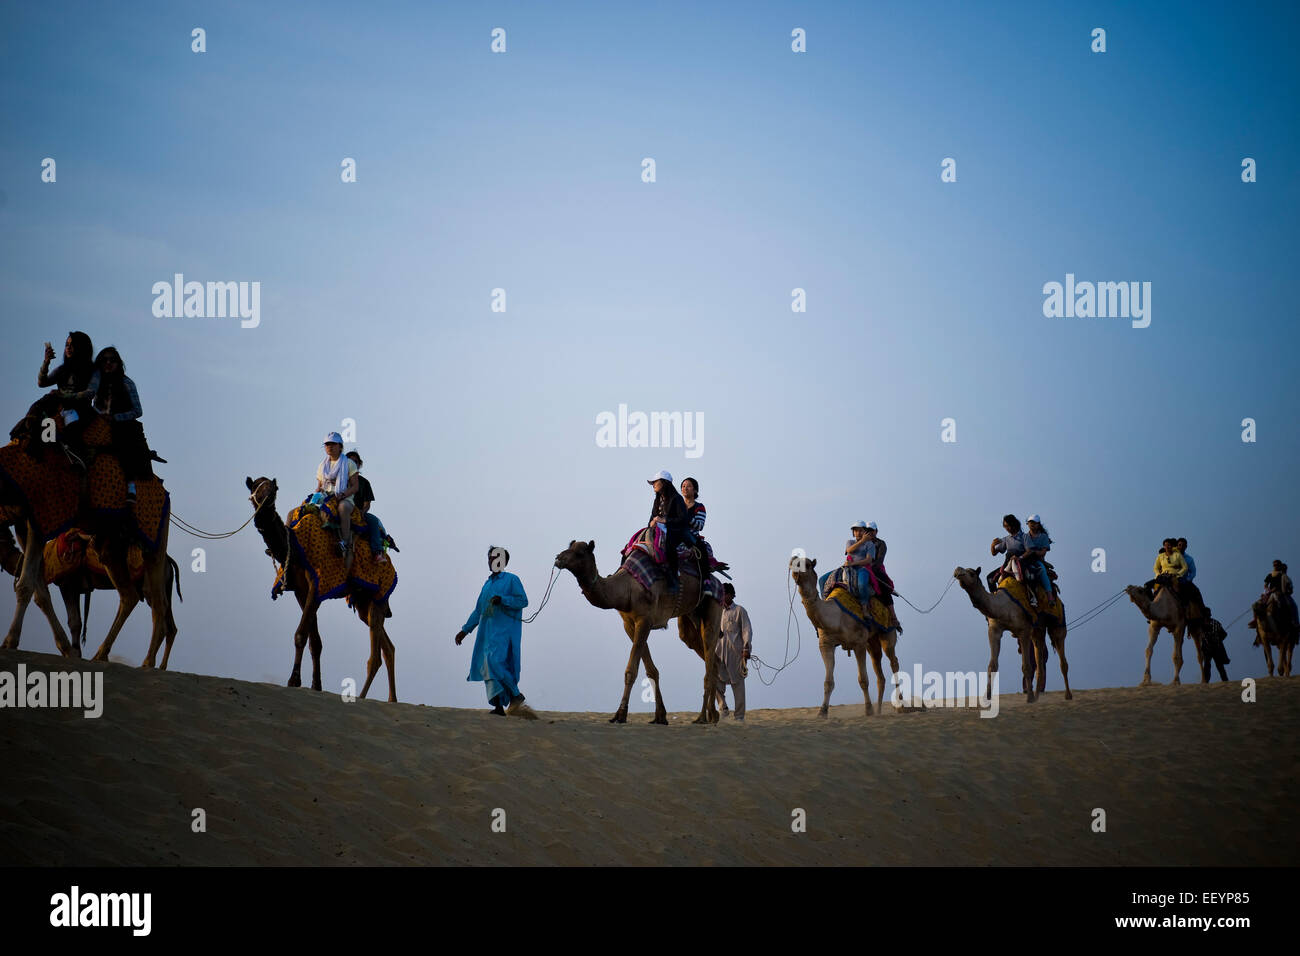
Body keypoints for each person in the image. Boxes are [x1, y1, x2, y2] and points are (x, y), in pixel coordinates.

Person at [454, 547, 536, 719]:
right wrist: (465, 630)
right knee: (487, 669)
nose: (492, 561)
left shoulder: (512, 579)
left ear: (503, 561)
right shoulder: (487, 585)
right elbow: (478, 610)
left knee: (494, 662)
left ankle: (515, 695)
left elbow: (523, 600)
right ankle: (498, 706)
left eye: (495, 558)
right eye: (490, 558)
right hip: (486, 634)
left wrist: (503, 600)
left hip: (504, 633)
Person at [79, 347, 151, 502]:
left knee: (123, 442)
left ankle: (131, 486)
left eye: (112, 360)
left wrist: (115, 418)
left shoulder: (127, 383)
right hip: (98, 420)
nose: (108, 363)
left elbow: (138, 411)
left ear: (118, 363)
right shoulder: (96, 380)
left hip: (122, 425)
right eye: (105, 360)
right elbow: (89, 396)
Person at [11, 332, 95, 459]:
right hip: (57, 405)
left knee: (72, 428)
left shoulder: (92, 370)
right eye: (67, 344)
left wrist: (64, 396)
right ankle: (34, 443)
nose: (68, 347)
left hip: (78, 408)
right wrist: (46, 362)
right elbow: (42, 383)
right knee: (39, 411)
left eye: (73, 345)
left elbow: (90, 393)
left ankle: (78, 458)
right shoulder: (62, 369)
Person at [316, 432, 359, 570]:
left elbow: (355, 486)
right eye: (327, 444)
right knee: (300, 511)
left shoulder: (349, 464)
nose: (329, 447)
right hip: (325, 497)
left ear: (340, 446)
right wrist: (314, 496)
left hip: (344, 498)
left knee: (342, 508)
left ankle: (345, 542)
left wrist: (343, 494)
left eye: (333, 444)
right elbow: (319, 486)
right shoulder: (322, 466)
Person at [714, 583, 752, 720]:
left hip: (735, 653)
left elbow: (747, 630)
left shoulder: (740, 611)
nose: (723, 597)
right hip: (718, 653)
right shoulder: (717, 611)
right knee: (716, 681)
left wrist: (746, 648)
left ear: (731, 595)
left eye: (725, 594)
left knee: (738, 684)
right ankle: (723, 708)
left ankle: (739, 716)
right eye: (721, 594)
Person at [647, 469, 689, 592]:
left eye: (656, 481)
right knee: (635, 542)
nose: (653, 484)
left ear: (664, 483)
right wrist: (652, 524)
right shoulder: (657, 500)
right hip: (658, 531)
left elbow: (683, 520)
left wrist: (665, 520)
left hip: (675, 532)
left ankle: (674, 579)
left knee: (669, 546)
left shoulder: (677, 499)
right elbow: (652, 518)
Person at [345, 451, 388, 565]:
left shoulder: (364, 483)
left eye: (355, 462)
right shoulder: (340, 479)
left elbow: (367, 503)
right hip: (342, 507)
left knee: (373, 521)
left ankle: (377, 552)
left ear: (359, 464)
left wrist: (362, 512)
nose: (352, 464)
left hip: (358, 511)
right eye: (349, 462)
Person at [988, 514, 1026, 591]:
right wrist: (992, 545)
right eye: (1005, 526)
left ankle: (1032, 597)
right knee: (990, 578)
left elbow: (1030, 551)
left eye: (1008, 526)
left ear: (1014, 524)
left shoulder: (1024, 537)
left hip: (1022, 563)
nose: (1007, 528)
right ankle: (995, 598)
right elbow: (994, 553)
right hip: (1007, 564)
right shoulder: (1006, 539)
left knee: (1031, 577)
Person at [1022, 515, 1054, 603]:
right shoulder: (1025, 536)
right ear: (1027, 524)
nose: (1032, 525)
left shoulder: (1043, 537)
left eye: (1034, 523)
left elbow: (1043, 552)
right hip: (1026, 560)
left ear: (1038, 524)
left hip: (1038, 560)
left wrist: (1033, 552)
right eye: (1030, 522)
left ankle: (1050, 596)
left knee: (1042, 571)